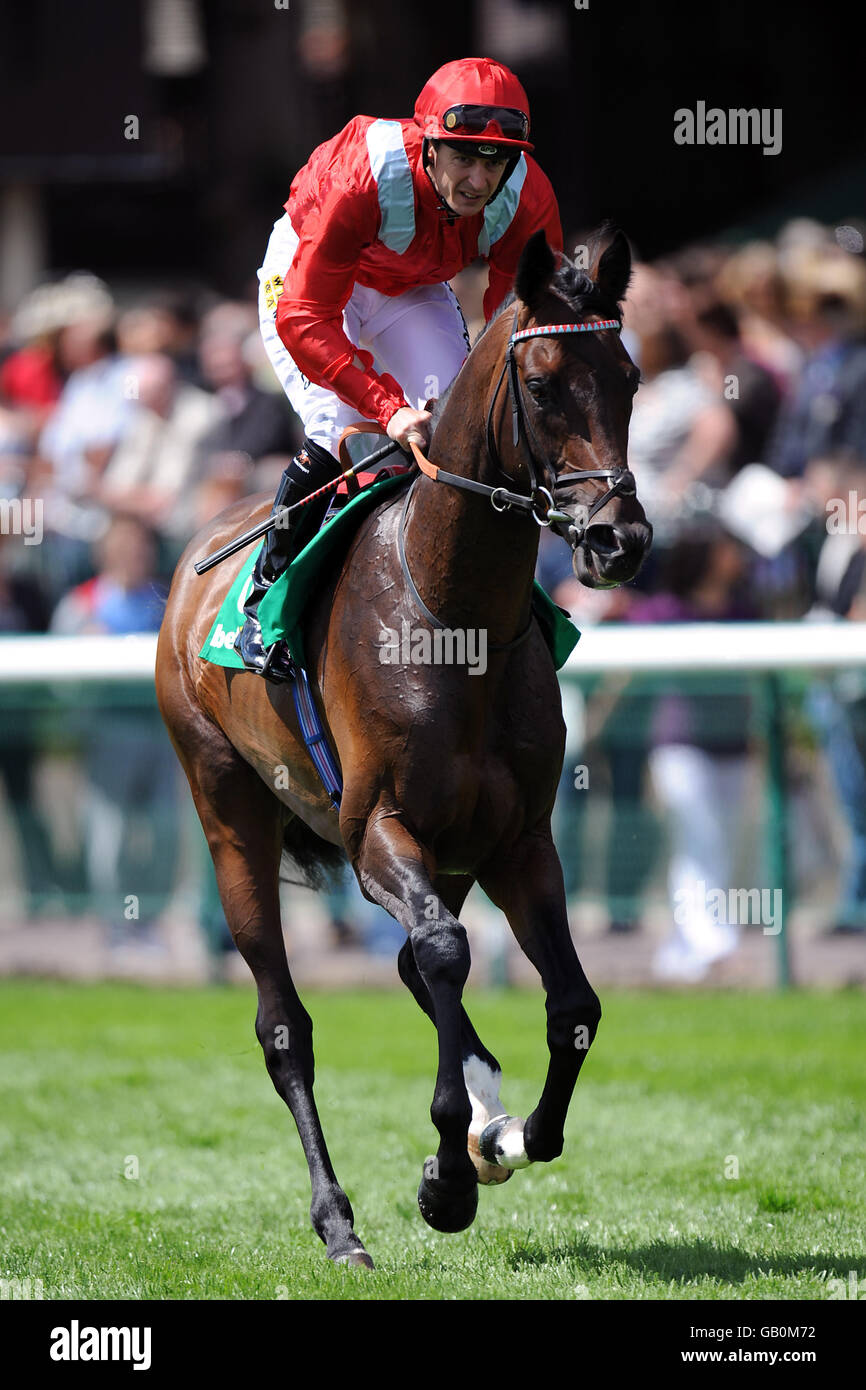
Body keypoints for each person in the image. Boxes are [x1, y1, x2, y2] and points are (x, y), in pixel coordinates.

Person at [234, 56, 563, 680]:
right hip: (312, 283)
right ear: (428, 145)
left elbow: (519, 326)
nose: (477, 180)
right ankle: (263, 598)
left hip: (410, 287)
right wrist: (387, 409)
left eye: (494, 161)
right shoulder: (365, 174)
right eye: (462, 156)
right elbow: (305, 317)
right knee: (344, 431)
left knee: (467, 428)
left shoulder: (529, 196)